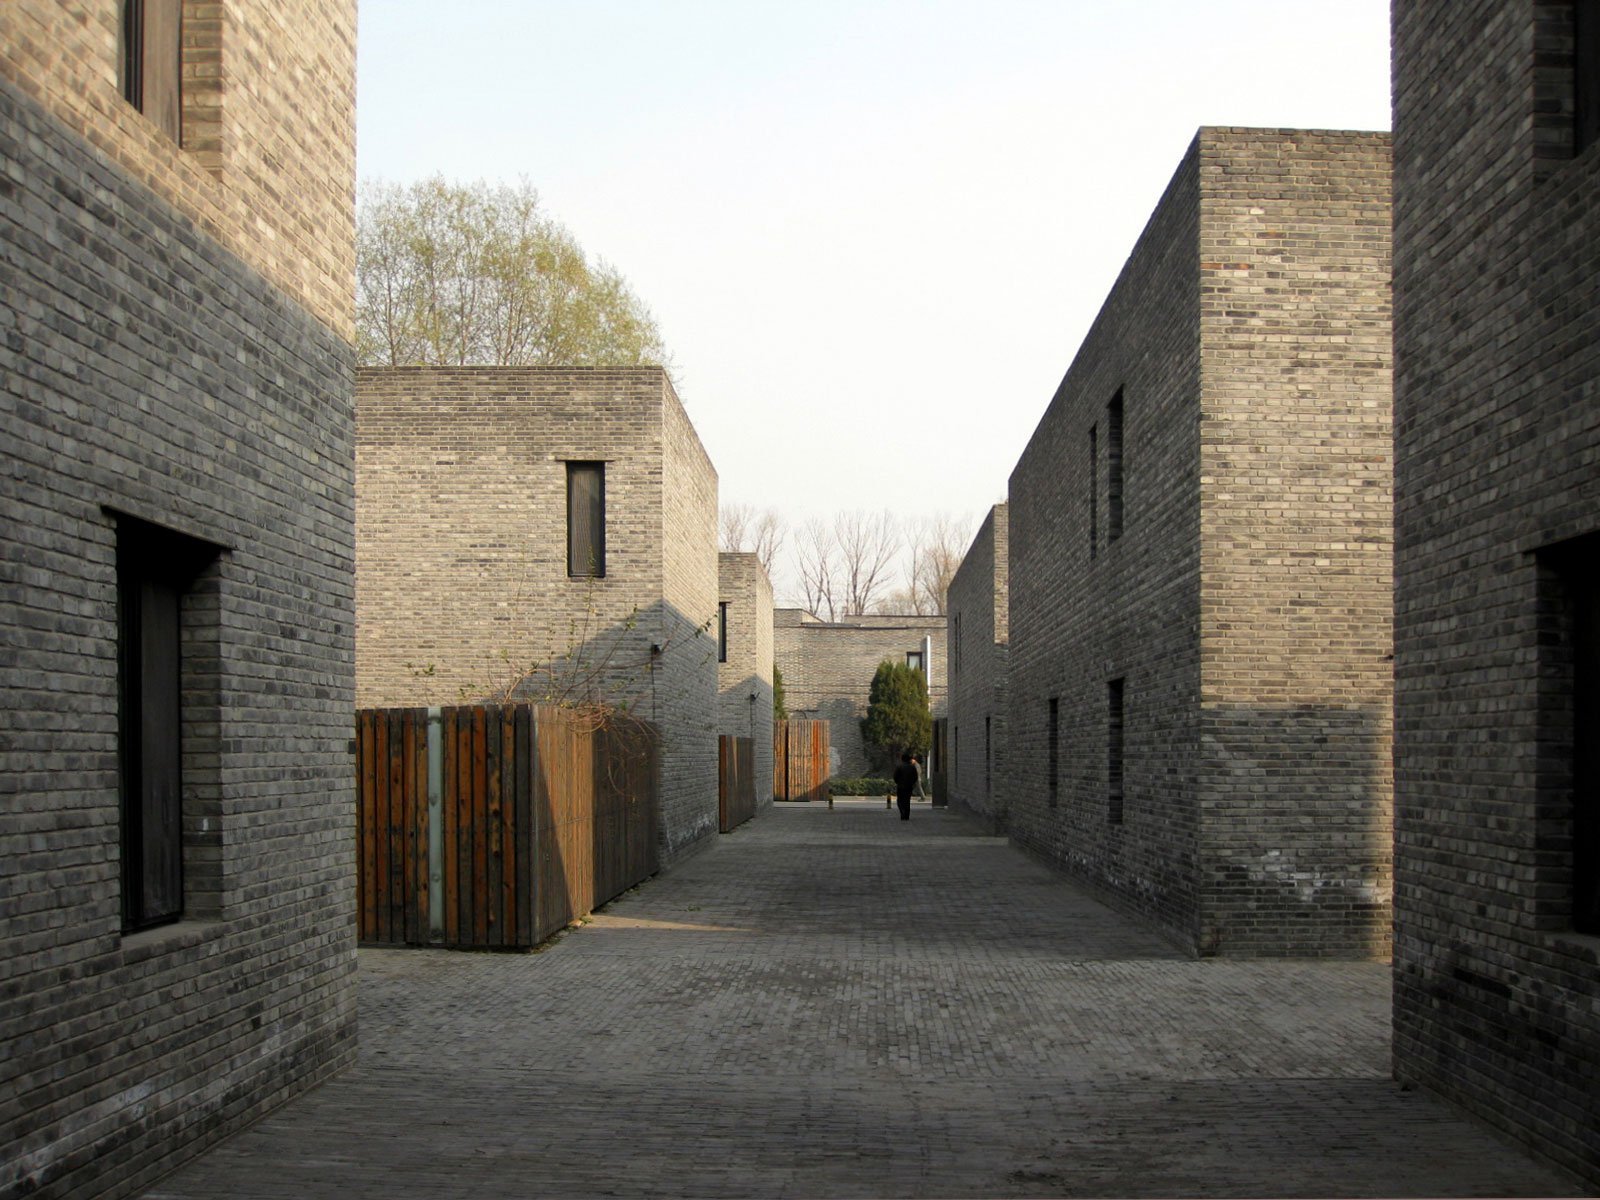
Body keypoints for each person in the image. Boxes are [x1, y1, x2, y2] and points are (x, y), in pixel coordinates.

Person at [893, 751, 918, 821]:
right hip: (909, 786)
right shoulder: (912, 767)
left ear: (902, 759)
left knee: (900, 801)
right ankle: (906, 815)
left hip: (900, 786)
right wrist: (912, 783)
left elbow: (895, 776)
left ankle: (902, 812)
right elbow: (915, 777)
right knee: (907, 801)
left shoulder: (899, 767)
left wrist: (898, 782)